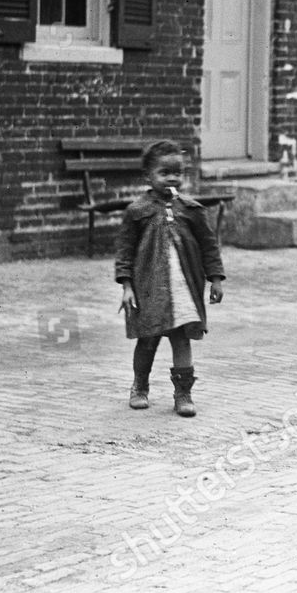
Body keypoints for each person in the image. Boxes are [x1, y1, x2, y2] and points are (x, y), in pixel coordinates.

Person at [114, 140, 226, 417]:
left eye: (177, 172)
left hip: (184, 289)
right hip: (149, 289)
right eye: (164, 173)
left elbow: (209, 246)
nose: (172, 178)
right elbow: (125, 252)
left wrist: (215, 278)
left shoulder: (191, 210)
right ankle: (140, 385)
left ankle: (183, 393)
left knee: (181, 339)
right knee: (148, 340)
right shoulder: (137, 211)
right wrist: (127, 286)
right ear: (148, 177)